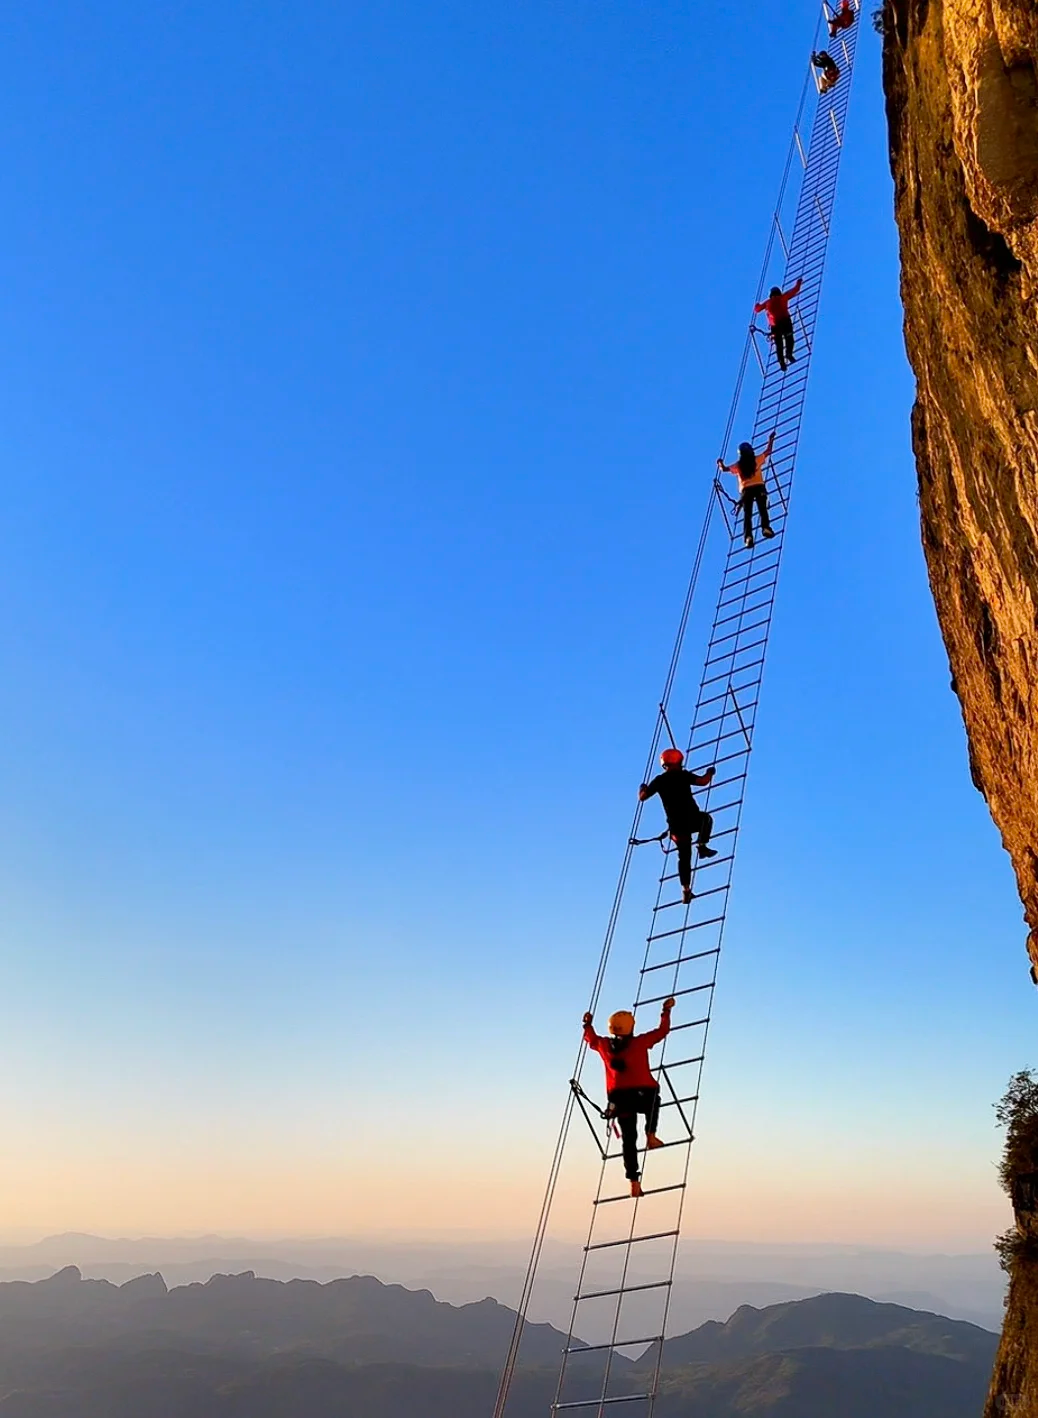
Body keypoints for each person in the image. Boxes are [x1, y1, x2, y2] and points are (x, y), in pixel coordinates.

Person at [582, 997, 676, 1197]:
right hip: (643, 1094)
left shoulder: (605, 1045)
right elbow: (662, 1032)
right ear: (630, 1028)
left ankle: (634, 1182)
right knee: (655, 1100)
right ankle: (650, 1135)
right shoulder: (639, 1043)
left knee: (628, 1139)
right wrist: (666, 1011)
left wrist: (587, 1024)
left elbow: (591, 1040)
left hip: (619, 1100)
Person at [639, 749, 717, 905]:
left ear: (664, 764)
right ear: (679, 762)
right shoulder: (683, 775)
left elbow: (643, 797)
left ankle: (686, 891)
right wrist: (710, 772)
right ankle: (702, 846)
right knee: (706, 819)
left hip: (677, 826)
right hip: (692, 819)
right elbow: (703, 781)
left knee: (684, 857)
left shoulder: (660, 780)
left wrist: (642, 787)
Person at [718, 430, 777, 549]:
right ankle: (765, 528)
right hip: (759, 487)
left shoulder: (739, 465)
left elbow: (724, 469)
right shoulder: (756, 460)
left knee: (747, 514)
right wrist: (770, 439)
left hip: (746, 491)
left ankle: (748, 537)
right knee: (762, 509)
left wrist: (720, 463)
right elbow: (768, 451)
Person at [754, 277, 802, 372]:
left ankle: (781, 363)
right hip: (785, 322)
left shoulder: (767, 302)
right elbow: (795, 290)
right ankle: (789, 354)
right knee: (789, 339)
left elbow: (757, 310)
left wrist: (757, 305)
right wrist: (799, 282)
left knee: (779, 345)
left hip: (775, 326)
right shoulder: (783, 297)